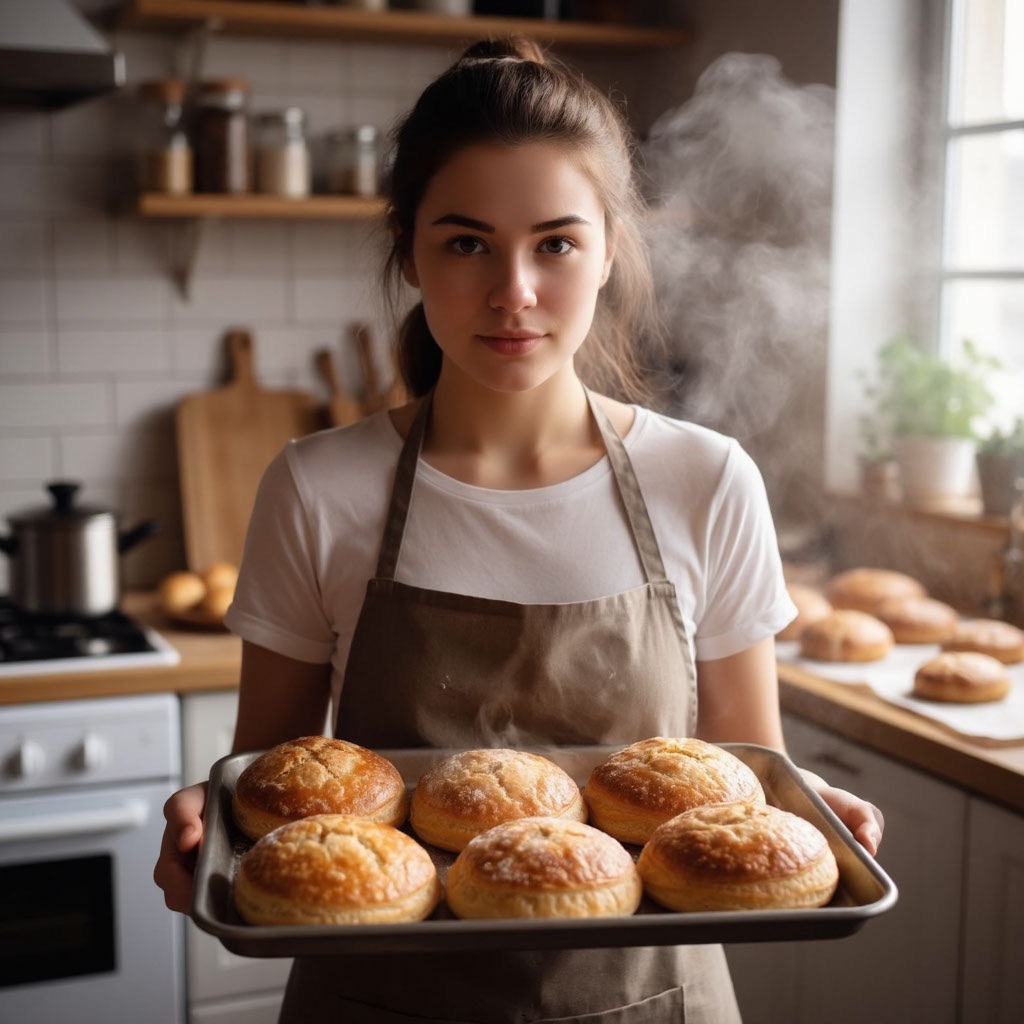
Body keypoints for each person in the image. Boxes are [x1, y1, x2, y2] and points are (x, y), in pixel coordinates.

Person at [155, 37, 883, 1023]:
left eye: (555, 242)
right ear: (407, 247)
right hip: (375, 998)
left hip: (654, 1000)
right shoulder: (318, 486)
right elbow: (272, 790)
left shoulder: (707, 480)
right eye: (466, 243)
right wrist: (207, 820)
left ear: (611, 249)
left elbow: (746, 772)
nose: (514, 293)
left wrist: (812, 812)